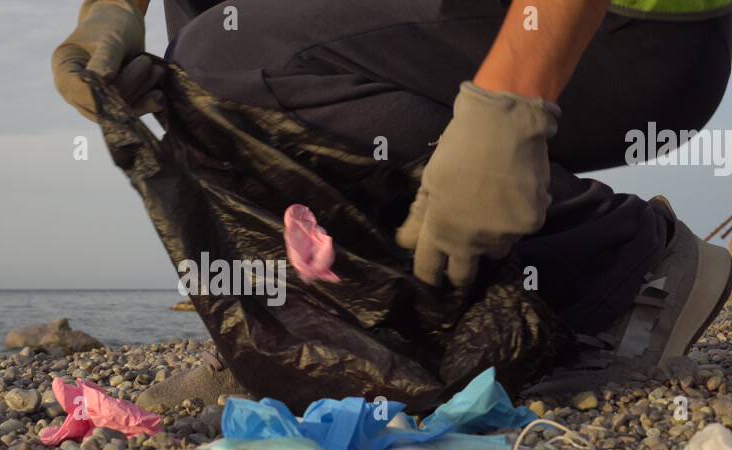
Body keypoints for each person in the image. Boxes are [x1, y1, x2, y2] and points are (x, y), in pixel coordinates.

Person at [54, 0, 732, 406]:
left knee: (228, 60)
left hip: (622, 30)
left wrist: (510, 105)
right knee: (211, 37)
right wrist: (113, 10)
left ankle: (624, 262)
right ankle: (309, 321)